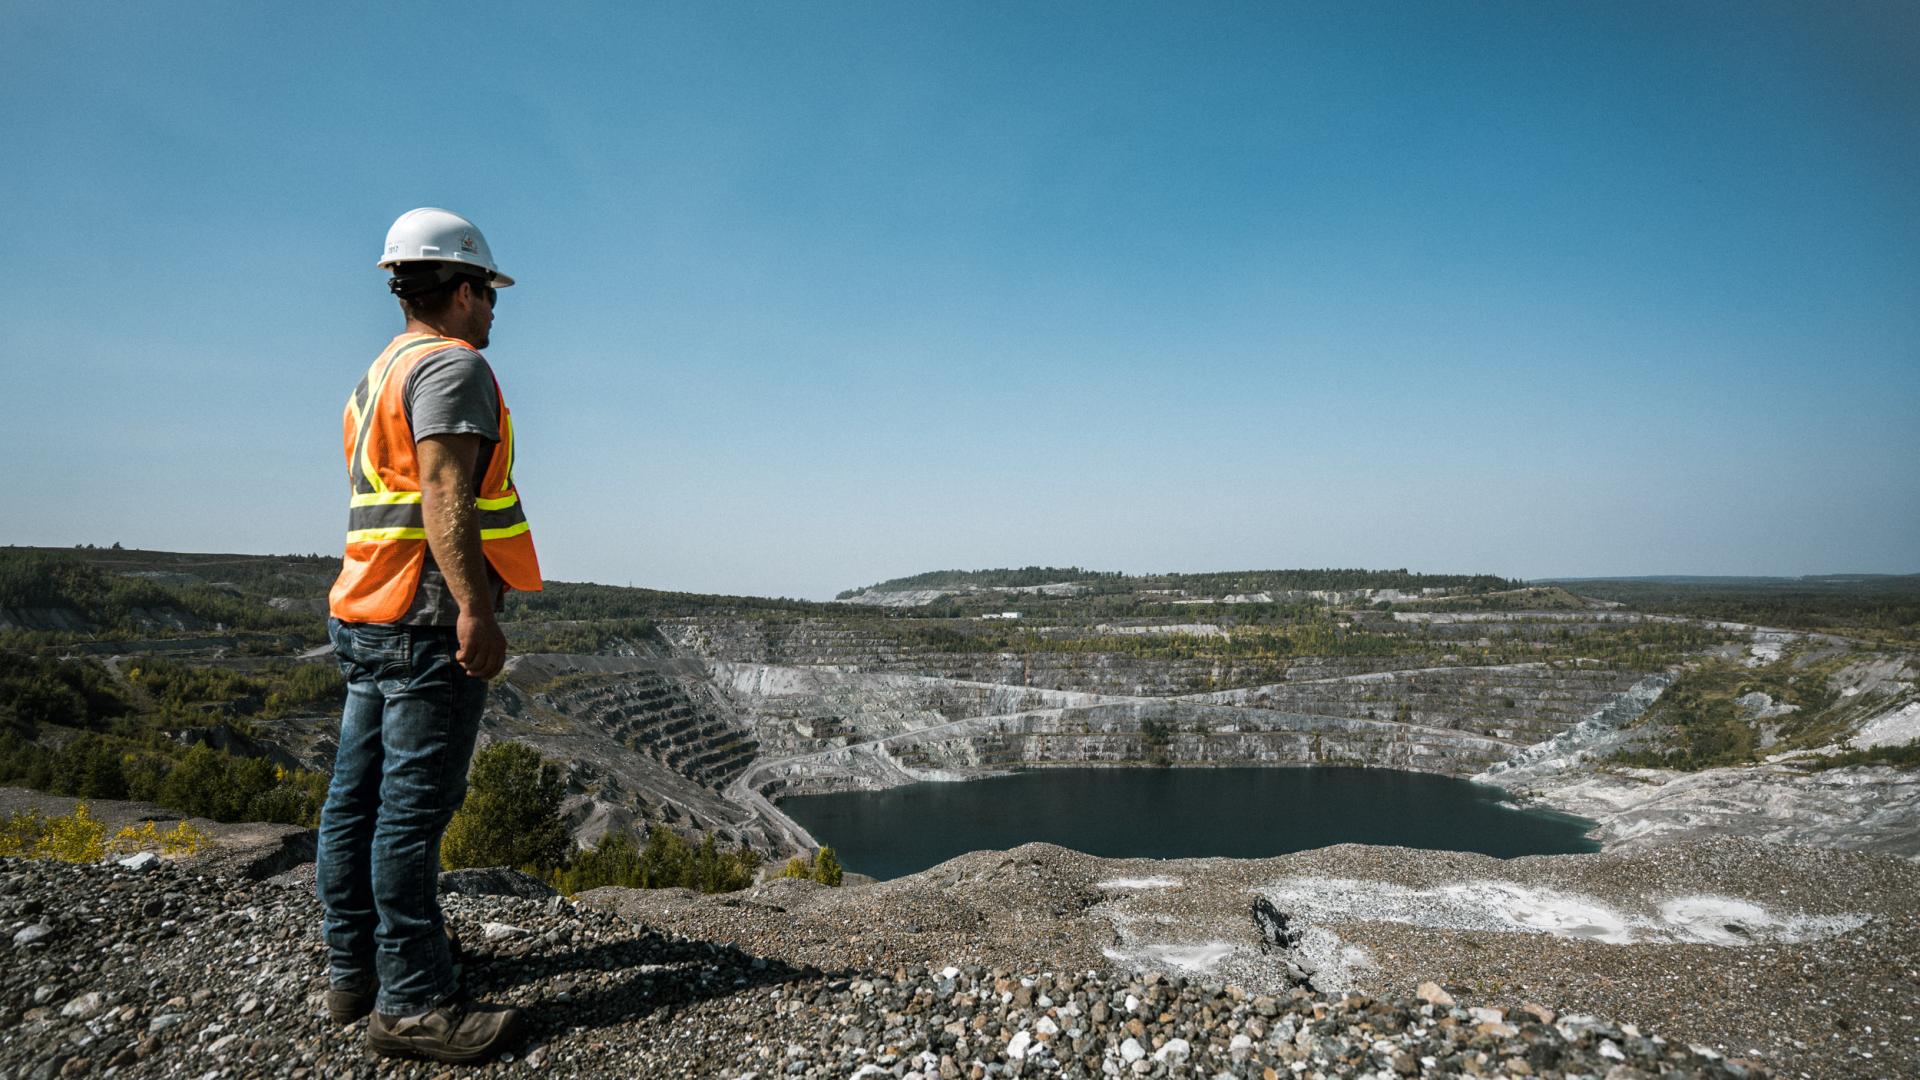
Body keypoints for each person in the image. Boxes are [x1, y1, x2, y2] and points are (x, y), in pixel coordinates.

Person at [316, 207, 542, 1064]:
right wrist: (474, 611)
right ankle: (412, 1003)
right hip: (423, 622)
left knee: (356, 801)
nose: (494, 308)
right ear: (457, 289)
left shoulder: (380, 372)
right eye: (487, 290)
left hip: (367, 610)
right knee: (409, 816)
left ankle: (358, 969)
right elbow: (446, 497)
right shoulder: (454, 368)